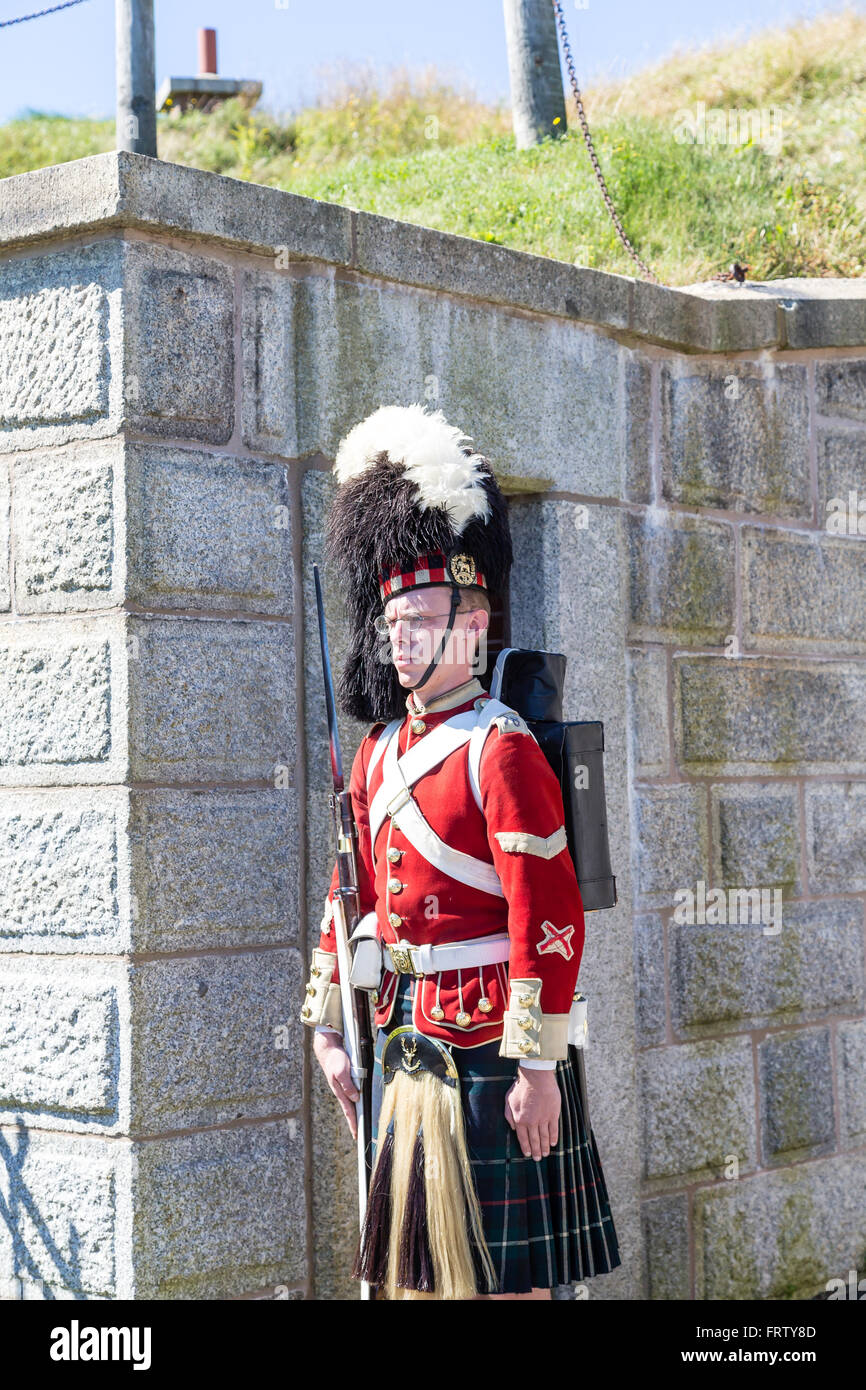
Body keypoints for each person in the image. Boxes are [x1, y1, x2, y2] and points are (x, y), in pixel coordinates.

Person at [300, 403, 620, 1300]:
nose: (398, 637)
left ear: (469, 626)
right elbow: (348, 892)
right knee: (418, 1282)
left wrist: (538, 1065)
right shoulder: (375, 755)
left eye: (421, 617)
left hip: (490, 1040)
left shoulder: (501, 748)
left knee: (503, 1283)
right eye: (391, 619)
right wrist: (329, 1022)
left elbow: (546, 914)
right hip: (403, 1030)